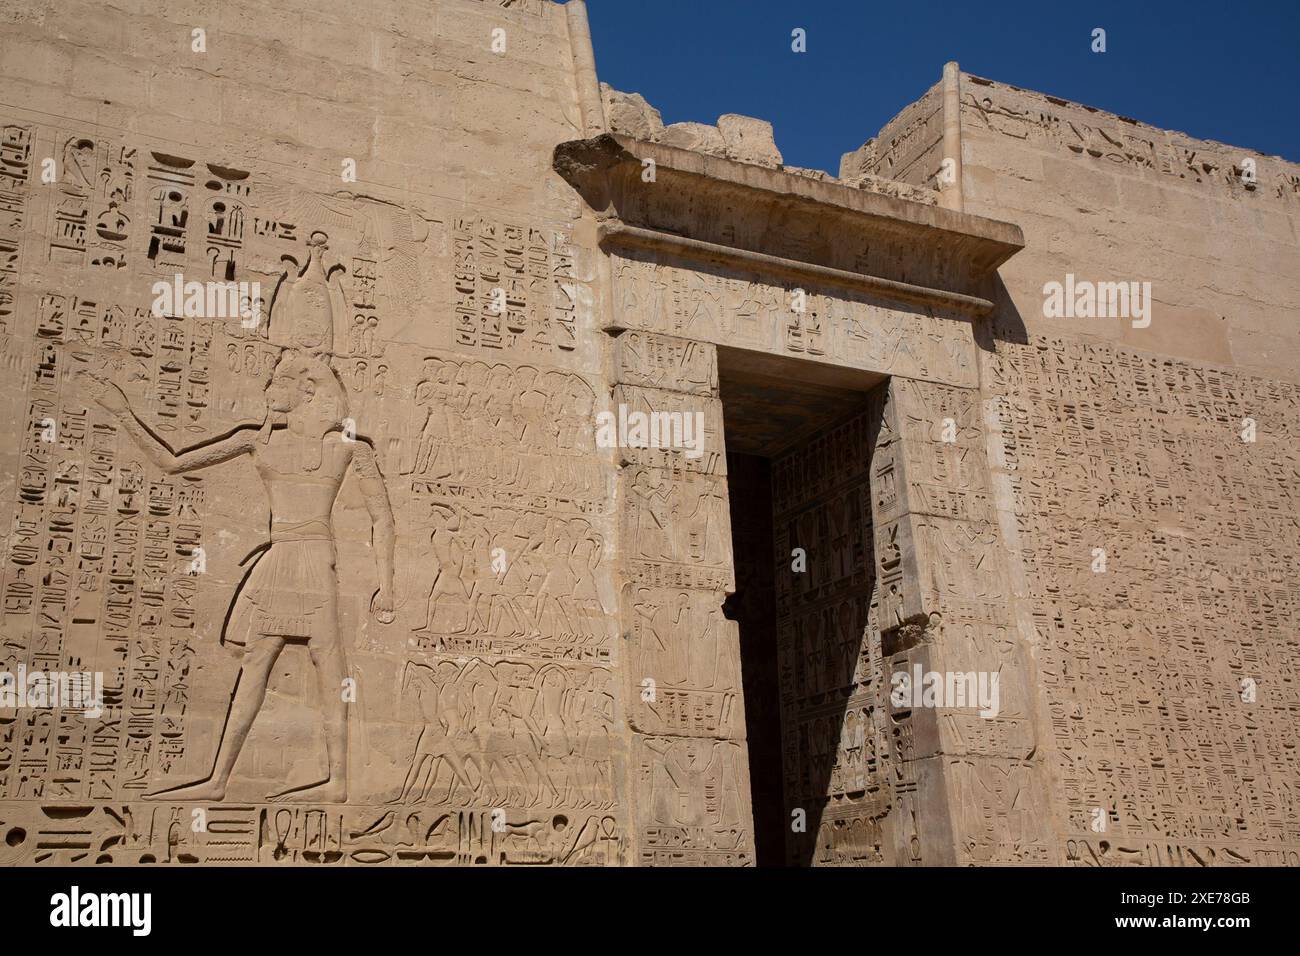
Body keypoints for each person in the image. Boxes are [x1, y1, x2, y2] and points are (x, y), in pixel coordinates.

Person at [82, 350, 396, 802]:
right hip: (279, 562)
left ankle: (338, 780)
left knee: (330, 667)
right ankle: (218, 780)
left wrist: (387, 585)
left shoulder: (350, 448)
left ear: (307, 392)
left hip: (314, 559)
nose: (268, 392)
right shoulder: (257, 439)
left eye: (277, 383)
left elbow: (382, 518)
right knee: (255, 668)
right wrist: (124, 414)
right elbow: (173, 463)